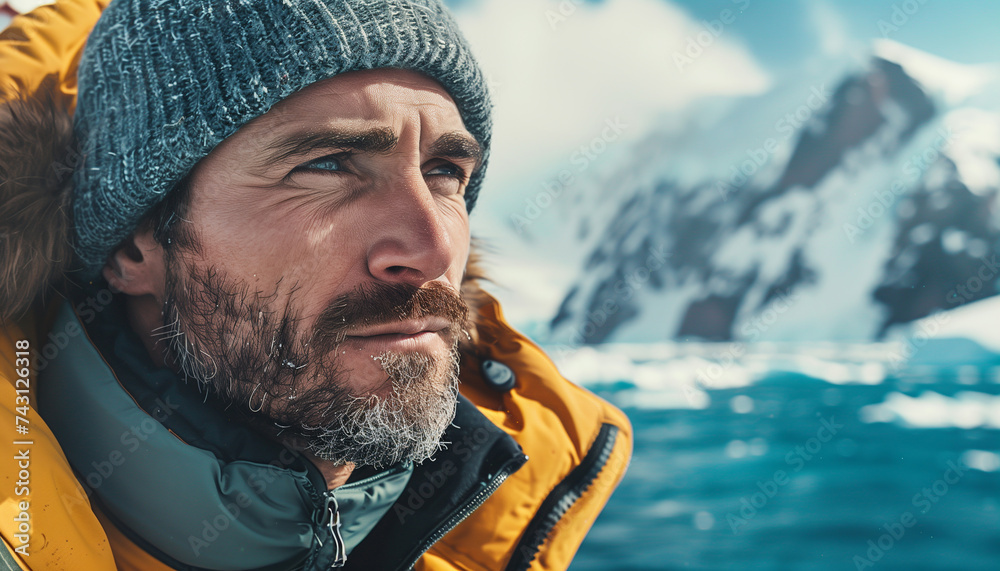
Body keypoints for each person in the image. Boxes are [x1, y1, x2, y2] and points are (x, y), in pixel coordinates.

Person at [0, 0, 632, 569]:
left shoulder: (495, 522)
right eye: (326, 165)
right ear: (133, 244)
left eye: (445, 171)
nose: (433, 247)